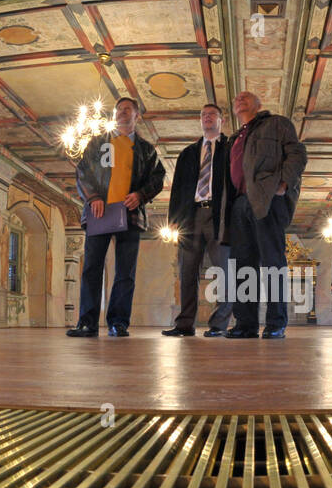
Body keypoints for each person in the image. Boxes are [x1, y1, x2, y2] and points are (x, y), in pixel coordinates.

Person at [69, 97, 165, 337]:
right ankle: (87, 323)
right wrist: (93, 198)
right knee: (92, 268)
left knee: (125, 272)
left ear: (137, 116)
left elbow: (157, 178)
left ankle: (118, 322)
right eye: (119, 109)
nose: (122, 113)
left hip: (130, 216)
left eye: (127, 109)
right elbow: (83, 172)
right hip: (99, 212)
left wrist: (140, 195)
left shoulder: (146, 149)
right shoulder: (98, 143)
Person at [219, 91, 306, 339]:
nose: (240, 99)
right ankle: (245, 324)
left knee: (272, 263)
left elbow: (297, 153)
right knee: (243, 267)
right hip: (238, 204)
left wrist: (284, 184)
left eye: (246, 97)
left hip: (268, 199)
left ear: (259, 105)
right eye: (237, 98)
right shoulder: (235, 137)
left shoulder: (277, 123)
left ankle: (276, 322)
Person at [163, 103, 233, 337]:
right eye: (203, 115)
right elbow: (178, 188)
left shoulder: (231, 148)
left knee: (224, 270)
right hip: (190, 216)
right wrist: (173, 218)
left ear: (221, 120)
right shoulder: (188, 152)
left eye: (212, 114)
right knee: (187, 271)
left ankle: (219, 324)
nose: (207, 118)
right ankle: (184, 324)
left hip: (219, 216)